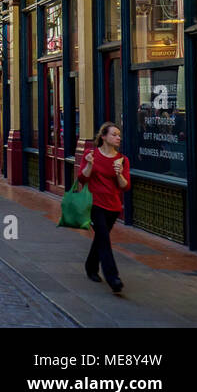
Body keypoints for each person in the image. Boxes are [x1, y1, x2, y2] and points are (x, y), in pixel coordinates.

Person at [80, 122, 130, 293]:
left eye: (119, 135)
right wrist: (89, 165)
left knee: (101, 238)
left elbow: (125, 186)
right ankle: (113, 277)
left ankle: (90, 267)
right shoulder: (91, 154)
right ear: (103, 137)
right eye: (114, 134)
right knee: (104, 238)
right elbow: (82, 179)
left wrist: (118, 173)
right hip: (94, 204)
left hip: (113, 206)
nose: (118, 137)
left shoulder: (122, 159)